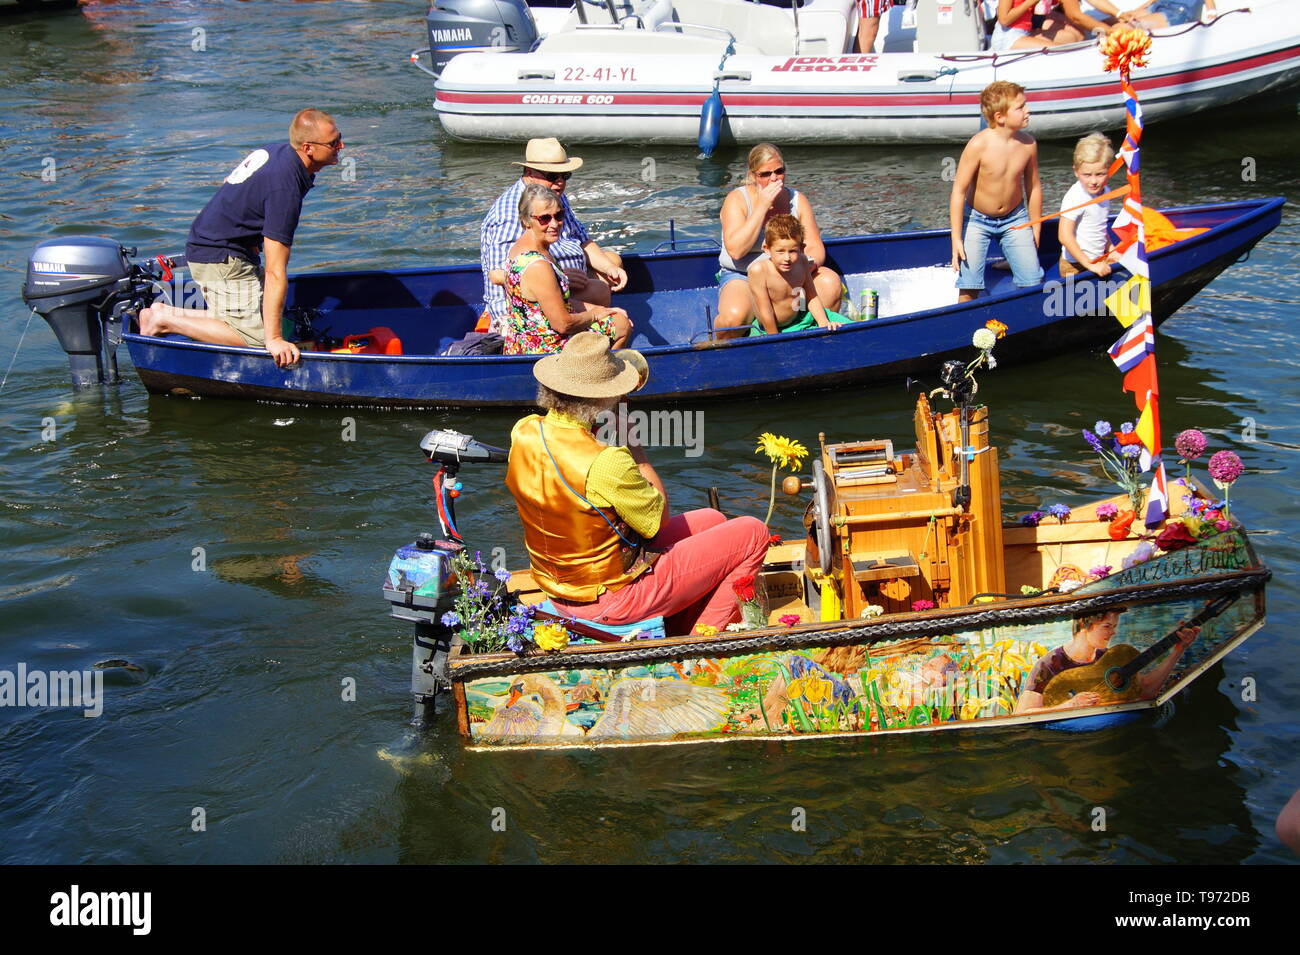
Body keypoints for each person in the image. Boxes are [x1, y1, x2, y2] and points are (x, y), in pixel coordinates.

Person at [504, 332, 770, 636]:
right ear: (602, 398)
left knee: (714, 519)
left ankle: (681, 624)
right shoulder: (607, 461)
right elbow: (657, 521)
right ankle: (698, 643)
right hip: (611, 601)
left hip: (562, 586)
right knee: (753, 532)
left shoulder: (523, 431)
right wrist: (635, 448)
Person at [138, 108, 342, 368]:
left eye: (339, 138)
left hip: (223, 246)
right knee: (260, 340)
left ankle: (164, 312)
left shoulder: (276, 151)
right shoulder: (285, 188)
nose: (341, 146)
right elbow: (276, 271)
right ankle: (163, 321)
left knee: (271, 319)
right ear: (308, 148)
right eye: (334, 143)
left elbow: (232, 183)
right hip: (221, 257)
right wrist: (274, 339)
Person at [481, 137, 627, 334]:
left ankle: (591, 332)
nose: (559, 182)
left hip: (559, 277)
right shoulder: (509, 213)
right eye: (552, 176)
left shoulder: (552, 196)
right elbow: (496, 274)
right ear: (530, 174)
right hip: (527, 301)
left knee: (612, 261)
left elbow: (581, 239)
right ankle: (590, 343)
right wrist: (557, 277)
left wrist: (609, 268)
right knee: (610, 309)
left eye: (565, 175)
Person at [716, 143, 842, 340]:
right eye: (765, 174)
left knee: (830, 284)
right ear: (752, 175)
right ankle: (731, 350)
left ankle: (813, 338)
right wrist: (762, 206)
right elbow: (736, 250)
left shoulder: (797, 200)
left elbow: (816, 249)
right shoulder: (738, 199)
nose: (774, 178)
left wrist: (796, 271)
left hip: (790, 274)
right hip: (743, 275)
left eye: (779, 171)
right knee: (732, 320)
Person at [503, 184, 631, 355]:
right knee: (621, 325)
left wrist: (601, 310)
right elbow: (563, 324)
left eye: (559, 215)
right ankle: (598, 375)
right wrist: (596, 314)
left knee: (610, 310)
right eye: (544, 218)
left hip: (523, 339)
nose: (554, 224)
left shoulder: (522, 249)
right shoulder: (538, 265)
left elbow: (553, 305)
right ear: (526, 220)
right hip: (543, 348)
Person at [949, 81, 1044, 302]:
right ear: (1000, 117)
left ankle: (1013, 259)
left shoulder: (1028, 144)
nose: (1027, 111)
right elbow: (958, 190)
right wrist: (956, 238)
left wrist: (1035, 226)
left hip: (1015, 217)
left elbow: (1034, 186)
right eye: (1020, 107)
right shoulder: (978, 145)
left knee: (1032, 282)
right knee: (969, 283)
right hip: (977, 219)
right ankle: (965, 325)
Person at [1014, 607, 1200, 714]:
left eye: (1115, 626)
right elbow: (1022, 714)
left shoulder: (1108, 659)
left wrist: (1178, 650)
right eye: (1107, 626)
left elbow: (1146, 691)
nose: (1113, 632)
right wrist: (1069, 705)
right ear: (1084, 625)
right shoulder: (1050, 664)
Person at [747, 215, 856, 336]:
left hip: (802, 318)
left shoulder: (802, 261)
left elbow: (812, 296)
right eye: (780, 251)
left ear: (802, 248)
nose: (787, 258)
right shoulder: (759, 271)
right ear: (767, 249)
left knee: (850, 328)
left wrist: (823, 322)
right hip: (772, 329)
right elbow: (765, 311)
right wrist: (775, 339)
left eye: (793, 251)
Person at [1059, 131, 1120, 279]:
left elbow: (1099, 227)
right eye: (1087, 175)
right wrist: (1090, 265)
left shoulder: (1106, 192)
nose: (1093, 181)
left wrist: (1111, 249)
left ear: (1109, 171)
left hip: (1098, 259)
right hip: (1076, 266)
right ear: (1076, 171)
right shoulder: (1076, 196)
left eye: (1100, 174)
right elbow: (1064, 236)